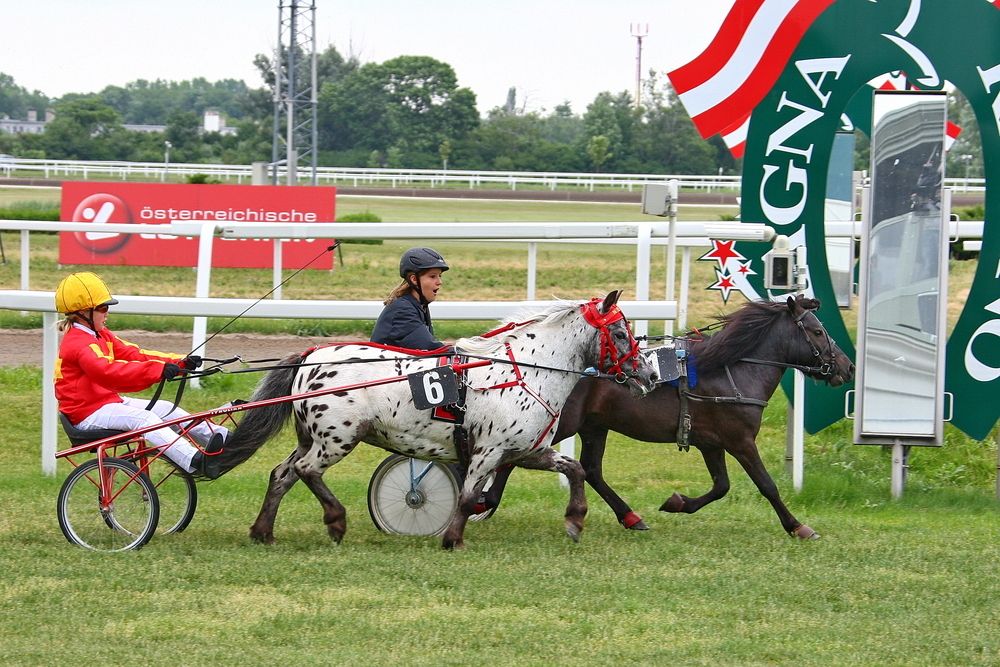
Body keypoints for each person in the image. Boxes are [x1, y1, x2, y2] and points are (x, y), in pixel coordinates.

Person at [54, 272, 227, 479]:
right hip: (87, 415)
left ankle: (224, 439)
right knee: (145, 419)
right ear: (82, 312)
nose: (107, 313)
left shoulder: (100, 334)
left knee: (166, 408)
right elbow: (109, 372)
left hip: (105, 403)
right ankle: (195, 460)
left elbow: (135, 354)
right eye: (102, 308)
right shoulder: (78, 344)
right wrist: (157, 371)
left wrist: (179, 362)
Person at [371, 247, 450, 350]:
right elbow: (432, 349)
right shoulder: (403, 310)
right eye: (432, 276)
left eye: (440, 276)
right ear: (414, 279)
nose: (439, 281)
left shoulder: (418, 305)